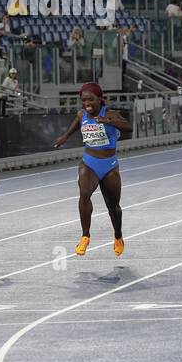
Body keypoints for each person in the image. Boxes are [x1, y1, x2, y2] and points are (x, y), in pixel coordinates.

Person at [52, 83, 132, 257]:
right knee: (85, 193)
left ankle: (118, 236)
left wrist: (109, 121)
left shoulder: (109, 114)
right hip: (89, 163)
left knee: (114, 207)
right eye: (83, 100)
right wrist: (64, 138)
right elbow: (75, 125)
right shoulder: (82, 115)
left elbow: (129, 127)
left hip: (110, 166)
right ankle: (85, 236)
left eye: (90, 99)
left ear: (99, 99)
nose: (87, 103)